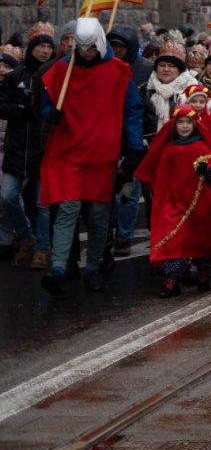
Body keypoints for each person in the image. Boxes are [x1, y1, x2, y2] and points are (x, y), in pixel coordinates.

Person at [36, 18, 143, 295]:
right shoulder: (61, 70)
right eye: (81, 49)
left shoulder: (119, 72)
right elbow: (47, 106)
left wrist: (133, 149)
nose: (85, 54)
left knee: (98, 215)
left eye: (90, 48)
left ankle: (93, 266)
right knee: (67, 209)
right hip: (68, 151)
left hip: (101, 154)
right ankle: (59, 265)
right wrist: (50, 117)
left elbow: (132, 112)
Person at [135, 102, 211, 297]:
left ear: (195, 124)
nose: (184, 126)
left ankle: (203, 272)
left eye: (188, 122)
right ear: (174, 125)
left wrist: (207, 170)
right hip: (174, 202)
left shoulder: (202, 146)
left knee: (199, 240)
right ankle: (171, 281)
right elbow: (160, 176)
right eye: (180, 122)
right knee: (173, 240)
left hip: (199, 202)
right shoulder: (169, 149)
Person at [1, 25, 55, 269]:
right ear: (32, 48)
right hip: (16, 147)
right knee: (8, 196)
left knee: (42, 204)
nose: (45, 51)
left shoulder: (53, 75)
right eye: (41, 46)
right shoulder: (14, 77)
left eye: (48, 47)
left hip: (41, 149)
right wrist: (19, 109)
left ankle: (42, 249)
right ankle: (26, 235)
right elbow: (2, 106)